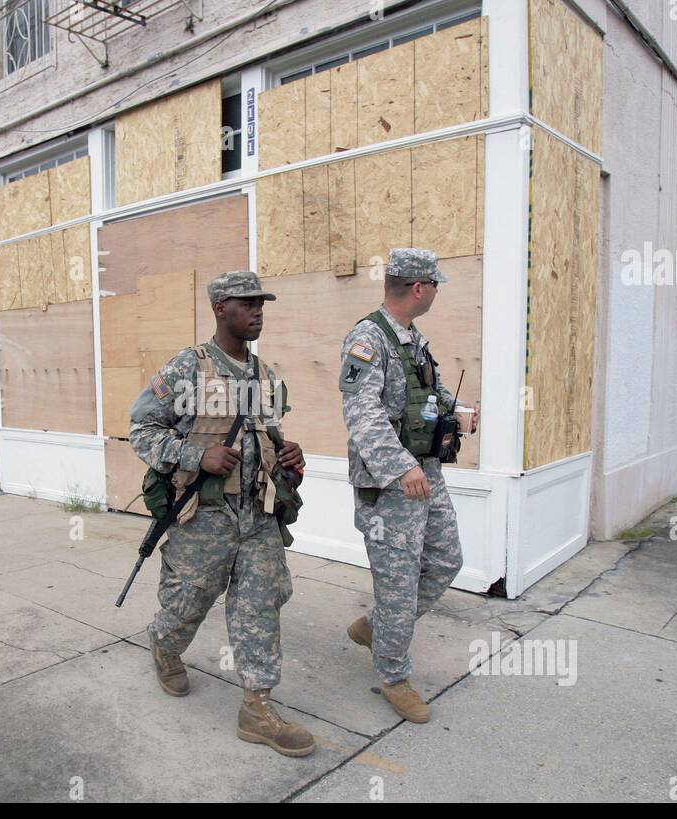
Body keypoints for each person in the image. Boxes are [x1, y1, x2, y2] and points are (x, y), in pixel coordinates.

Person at [128, 270, 313, 756]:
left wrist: (289, 453)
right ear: (220, 308)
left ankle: (258, 706)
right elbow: (141, 432)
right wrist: (196, 455)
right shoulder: (187, 368)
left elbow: (266, 437)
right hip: (202, 517)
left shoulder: (265, 375)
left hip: (257, 516)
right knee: (186, 604)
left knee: (260, 606)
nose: (257, 312)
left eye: (261, 304)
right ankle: (164, 646)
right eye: (247, 304)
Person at [338, 248, 479, 723]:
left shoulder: (412, 338)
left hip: (427, 472)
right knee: (398, 583)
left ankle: (376, 628)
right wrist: (401, 468)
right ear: (419, 288)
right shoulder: (367, 339)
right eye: (435, 284)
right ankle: (394, 676)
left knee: (445, 559)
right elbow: (363, 415)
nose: (437, 292)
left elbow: (425, 392)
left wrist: (456, 409)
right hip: (392, 482)